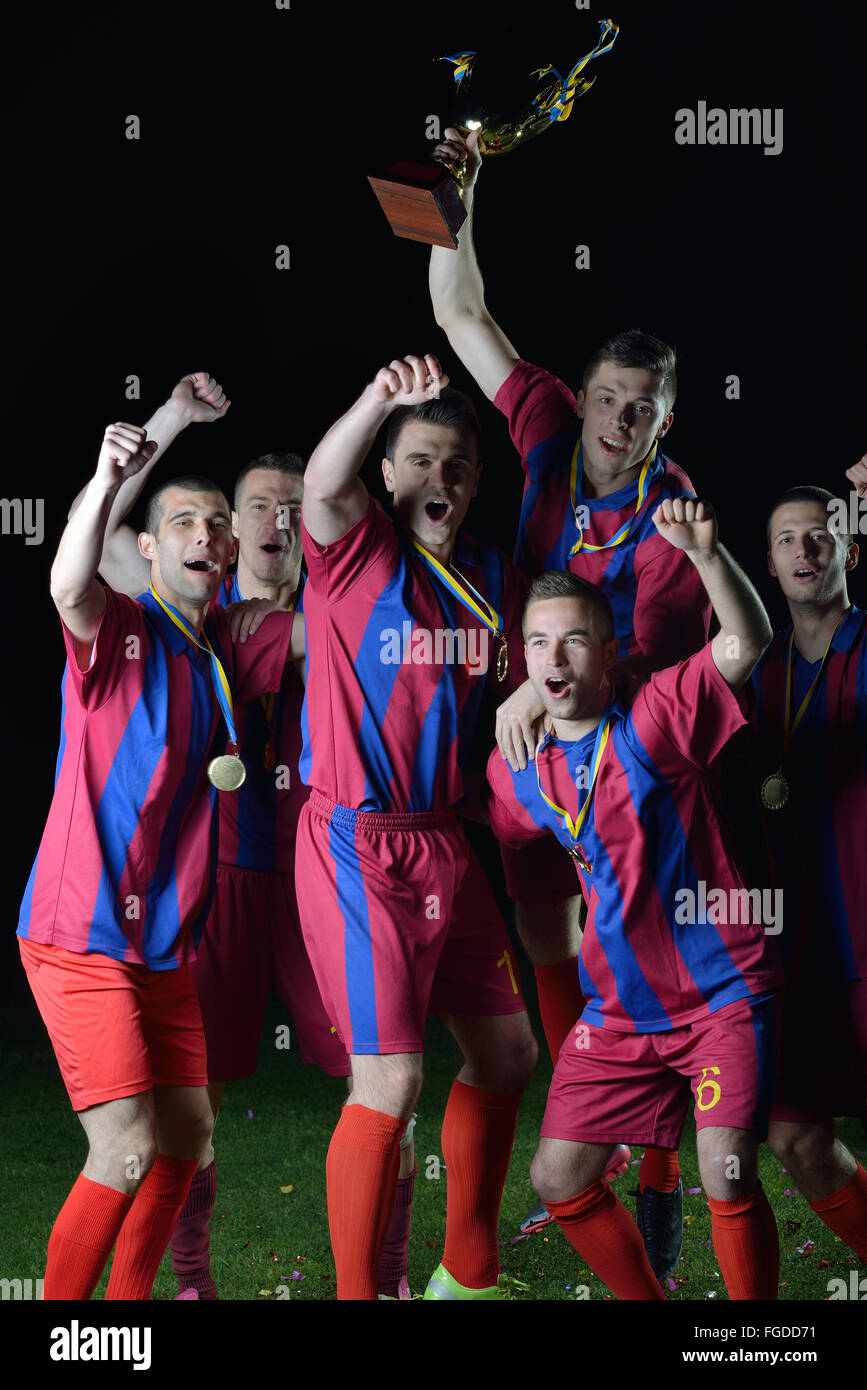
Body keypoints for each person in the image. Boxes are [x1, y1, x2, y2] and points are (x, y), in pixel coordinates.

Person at [428, 127, 705, 1257]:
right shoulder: (542, 424)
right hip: (523, 746)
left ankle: (660, 1156)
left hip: (621, 750)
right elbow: (459, 315)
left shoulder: (670, 521)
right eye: (608, 397)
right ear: (583, 395)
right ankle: (579, 1123)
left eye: (643, 407)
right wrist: (462, 200)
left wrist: (547, 699)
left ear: (666, 418)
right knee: (545, 930)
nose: (619, 419)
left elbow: (645, 682)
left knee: (627, 949)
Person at [17, 419, 302, 1300]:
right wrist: (106, 479)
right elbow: (67, 579)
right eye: (182, 522)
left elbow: (335, 635)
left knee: (186, 1134)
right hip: (80, 933)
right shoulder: (120, 625)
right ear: (142, 549)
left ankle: (129, 1321)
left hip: (165, 944)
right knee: (128, 1145)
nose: (206, 535)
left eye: (217, 523)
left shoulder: (227, 641)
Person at [486, 498, 785, 1300]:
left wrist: (705, 556)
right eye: (538, 642)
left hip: (719, 993)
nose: (555, 657)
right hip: (618, 1014)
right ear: (522, 658)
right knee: (557, 1177)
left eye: (574, 639)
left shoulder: (656, 717)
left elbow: (745, 641)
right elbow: (522, 852)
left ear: (607, 653)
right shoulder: (513, 765)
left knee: (723, 1172)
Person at [296, 351, 538, 1300]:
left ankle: (463, 1271)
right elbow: (321, 482)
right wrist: (374, 398)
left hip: (445, 836)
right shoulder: (357, 546)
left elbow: (539, 668)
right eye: (423, 460)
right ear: (388, 474)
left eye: (460, 467)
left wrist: (531, 698)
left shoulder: (487, 571)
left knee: (509, 1052)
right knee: (389, 1086)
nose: (443, 479)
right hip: (358, 841)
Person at [750, 475, 867, 1262]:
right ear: (767, 561)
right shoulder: (757, 671)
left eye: (820, 533)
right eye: (787, 537)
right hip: (799, 952)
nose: (805, 547)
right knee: (793, 1133)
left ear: (848, 549)